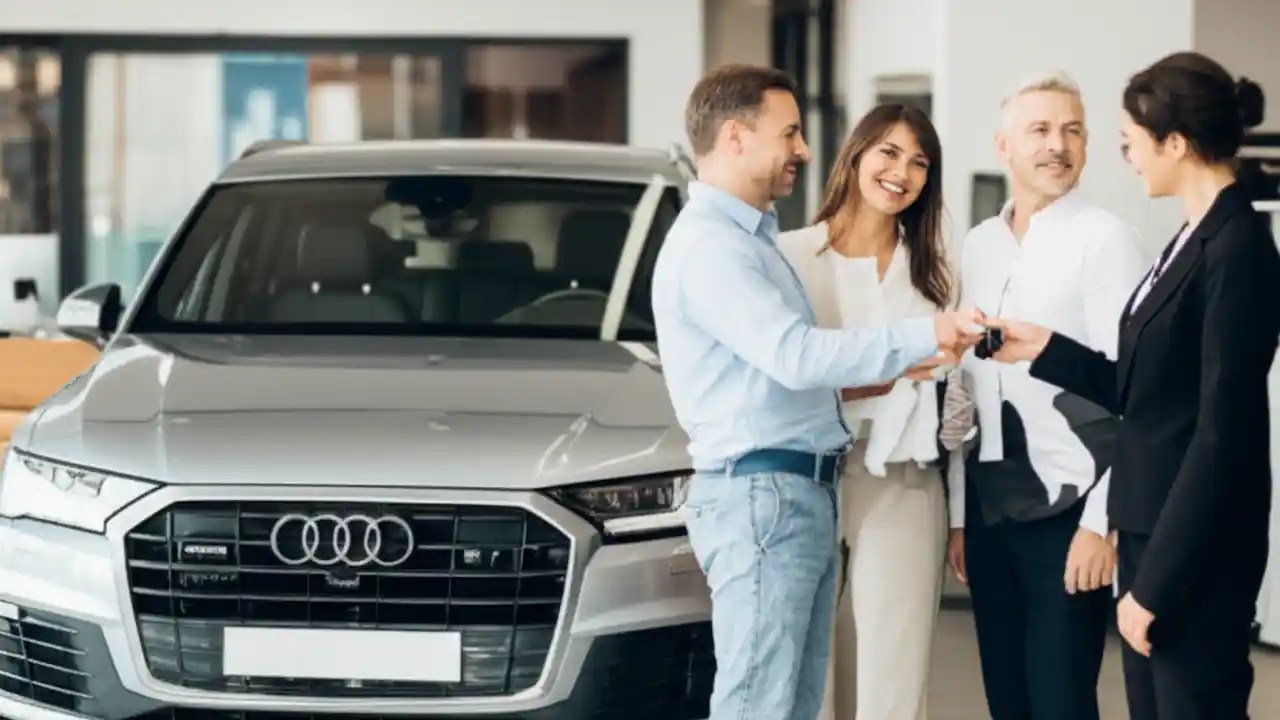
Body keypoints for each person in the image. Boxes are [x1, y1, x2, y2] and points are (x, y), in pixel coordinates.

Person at [650, 64, 984, 720]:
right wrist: (923, 338)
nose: (804, 149)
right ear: (739, 137)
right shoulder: (724, 249)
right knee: (764, 700)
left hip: (816, 487)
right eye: (791, 133)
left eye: (919, 162)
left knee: (793, 697)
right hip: (767, 491)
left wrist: (924, 383)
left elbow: (785, 375)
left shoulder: (755, 243)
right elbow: (796, 358)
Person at [987, 52, 1280, 720]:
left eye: (1130, 143)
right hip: (1152, 532)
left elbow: (1220, 435)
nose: (1128, 158)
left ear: (1174, 142)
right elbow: (1149, 389)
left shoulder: (1239, 248)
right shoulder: (1192, 235)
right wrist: (1047, 349)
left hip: (1194, 551)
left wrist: (1159, 584)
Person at [947, 71, 1148, 720]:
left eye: (1072, 131)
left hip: (1071, 512)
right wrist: (958, 515)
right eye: (1039, 129)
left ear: (1088, 145)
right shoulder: (977, 245)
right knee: (1007, 700)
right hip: (989, 510)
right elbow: (966, 391)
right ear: (1003, 146)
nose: (1057, 144)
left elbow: (1139, 389)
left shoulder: (1105, 240)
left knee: (1061, 701)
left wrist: (1102, 524)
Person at [776, 103, 954, 720]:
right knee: (804, 662)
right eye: (889, 152)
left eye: (920, 162)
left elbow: (957, 398)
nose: (902, 172)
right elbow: (779, 378)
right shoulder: (791, 257)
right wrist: (889, 372)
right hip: (803, 476)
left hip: (905, 479)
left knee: (895, 668)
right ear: (855, 154)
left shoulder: (938, 275)